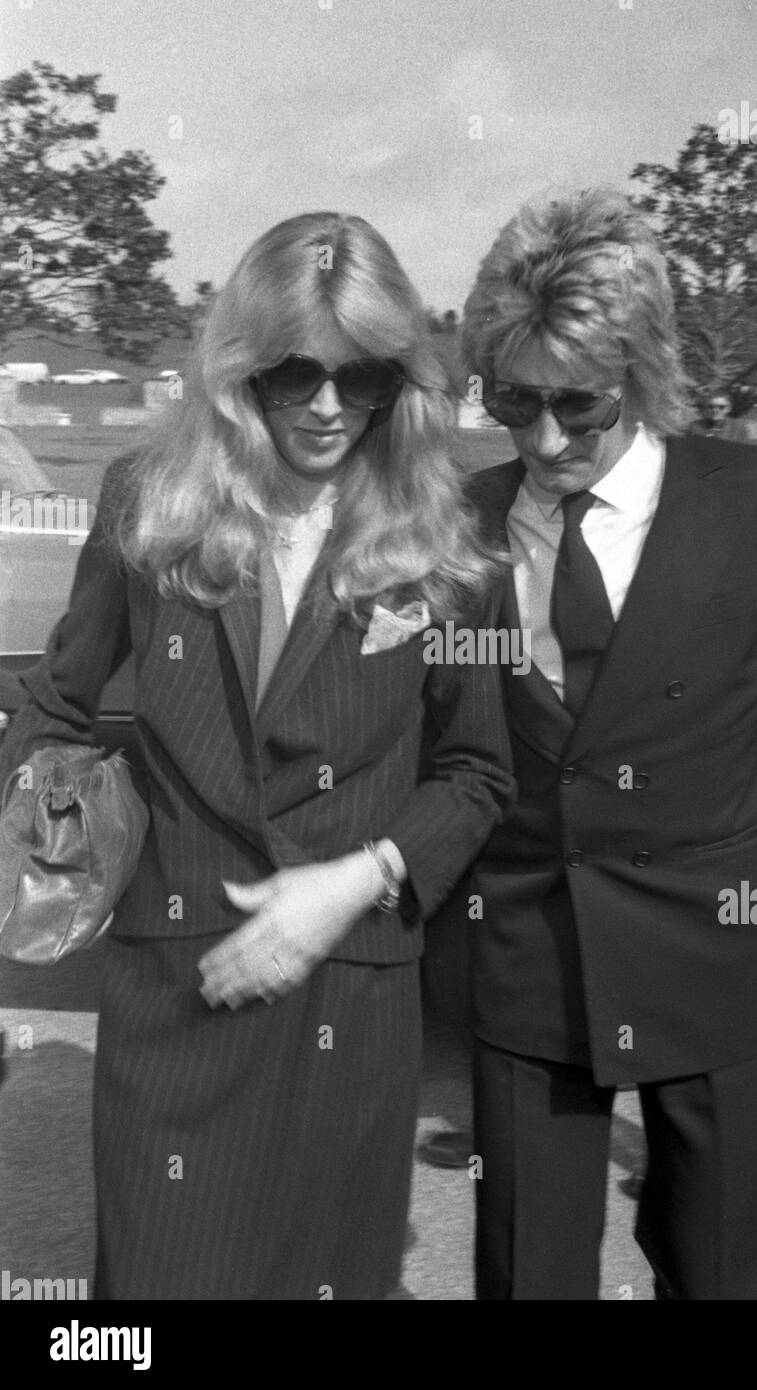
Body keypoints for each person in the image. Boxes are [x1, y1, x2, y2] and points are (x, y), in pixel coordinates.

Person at [0, 211, 514, 1300]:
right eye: (294, 374)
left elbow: (475, 775)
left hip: (351, 995)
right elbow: (55, 705)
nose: (329, 407)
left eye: (362, 377)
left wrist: (360, 881)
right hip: (174, 986)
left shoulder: (451, 538)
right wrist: (52, 827)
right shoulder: (148, 499)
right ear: (242, 370)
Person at [446, 187, 757, 1300]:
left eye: (579, 406)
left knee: (719, 1267)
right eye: (515, 402)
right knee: (527, 1277)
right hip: (527, 962)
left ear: (642, 379)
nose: (547, 439)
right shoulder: (457, 518)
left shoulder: (755, 498)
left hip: (714, 957)